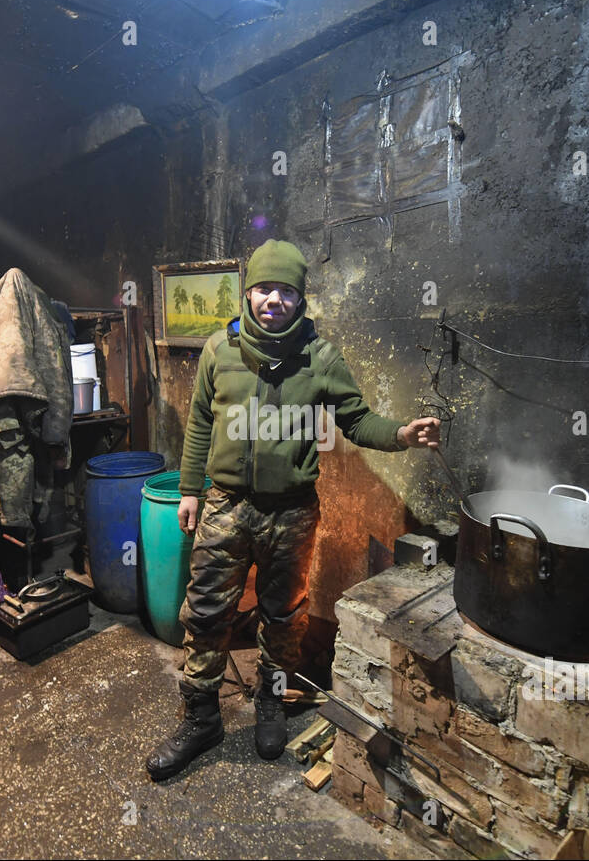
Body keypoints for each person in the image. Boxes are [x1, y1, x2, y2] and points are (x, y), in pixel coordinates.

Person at [146, 239, 440, 781]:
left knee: (284, 619)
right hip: (227, 505)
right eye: (263, 289)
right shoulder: (219, 350)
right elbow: (200, 425)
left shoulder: (320, 357)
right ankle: (201, 718)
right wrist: (190, 489)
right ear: (248, 293)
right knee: (206, 613)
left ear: (299, 297)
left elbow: (356, 420)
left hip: (292, 513)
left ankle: (270, 702)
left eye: (285, 290)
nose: (273, 300)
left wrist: (400, 433)